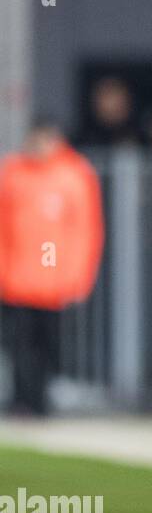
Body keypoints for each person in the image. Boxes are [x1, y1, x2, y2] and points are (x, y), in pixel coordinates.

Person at [0, 122, 104, 415]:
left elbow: (85, 230)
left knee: (47, 346)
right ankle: (21, 400)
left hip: (53, 283)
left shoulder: (74, 174)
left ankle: (40, 400)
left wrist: (78, 276)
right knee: (16, 344)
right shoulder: (14, 172)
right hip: (16, 281)